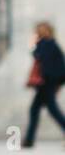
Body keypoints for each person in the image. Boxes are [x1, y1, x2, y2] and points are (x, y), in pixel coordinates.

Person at [23, 20, 65, 148]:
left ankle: (28, 141)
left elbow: (40, 58)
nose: (38, 31)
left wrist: (33, 45)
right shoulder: (52, 44)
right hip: (48, 82)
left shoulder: (46, 43)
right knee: (37, 110)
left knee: (47, 110)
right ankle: (28, 141)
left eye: (40, 29)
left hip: (46, 82)